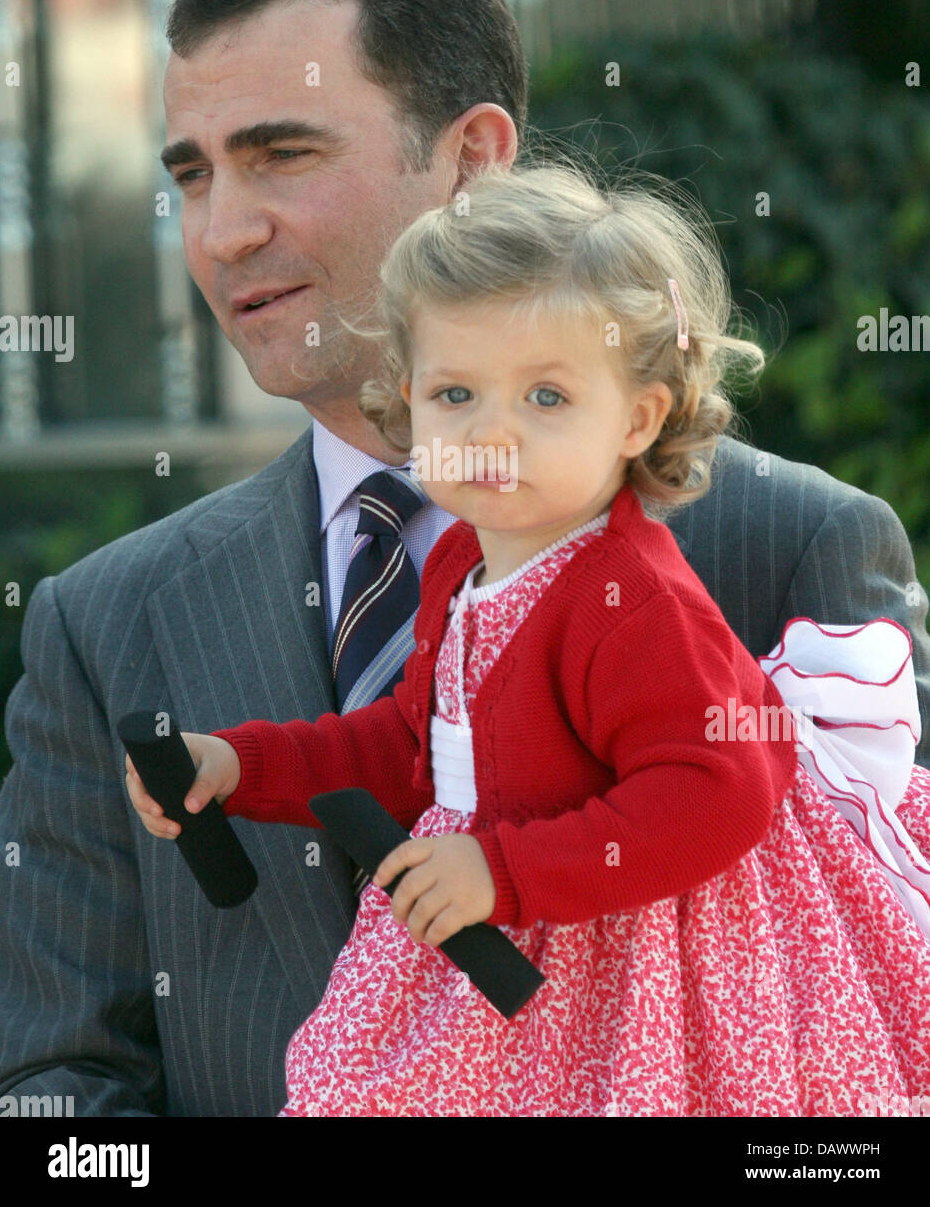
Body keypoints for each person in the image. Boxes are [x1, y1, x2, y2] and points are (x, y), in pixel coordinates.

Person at [0, 0, 928, 1119]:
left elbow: (878, 1009)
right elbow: (58, 1090)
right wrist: (245, 764)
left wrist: (510, 870)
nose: (222, 232)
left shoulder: (787, 545)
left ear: (473, 161)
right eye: (192, 172)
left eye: (282, 154)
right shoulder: (98, 619)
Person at [127, 162, 930, 1117]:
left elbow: (720, 792)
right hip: (501, 933)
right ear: (408, 400)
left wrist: (506, 871)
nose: (493, 432)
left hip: (623, 959)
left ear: (638, 418)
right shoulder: (463, 561)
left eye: (545, 398)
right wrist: (242, 765)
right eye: (456, 395)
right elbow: (411, 749)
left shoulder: (632, 596)